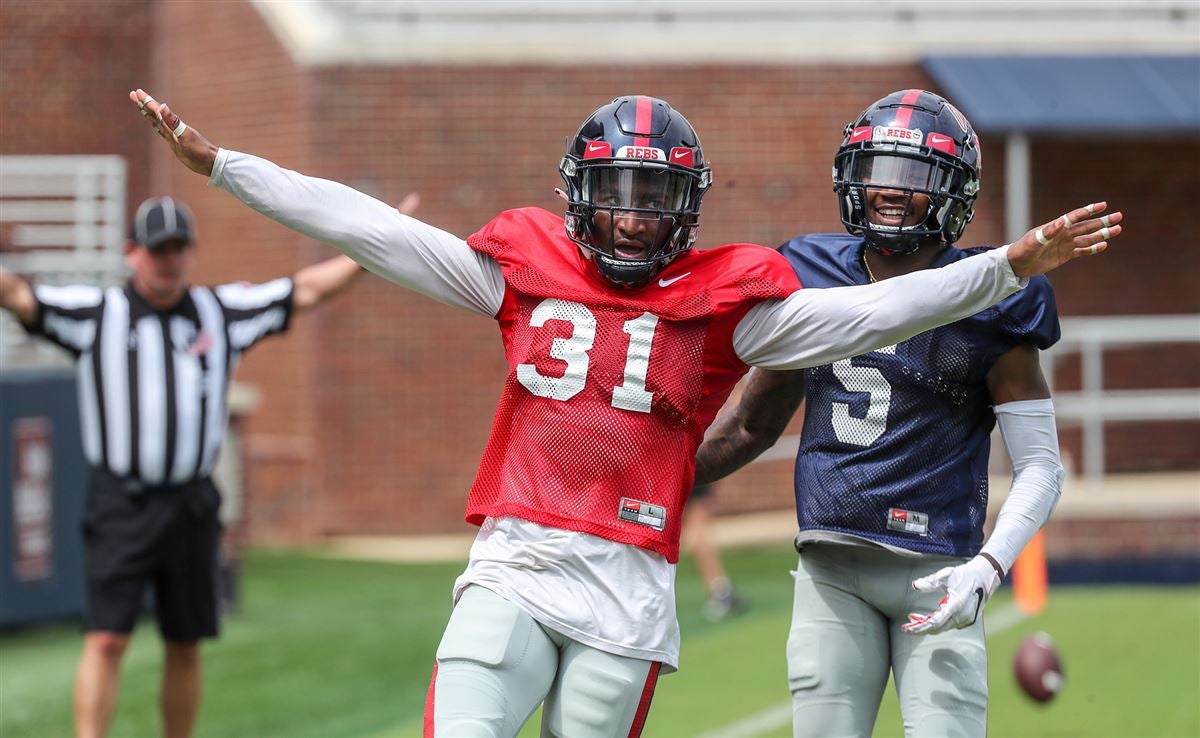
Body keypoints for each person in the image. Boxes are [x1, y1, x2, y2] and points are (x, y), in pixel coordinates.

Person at [128, 87, 1118, 738]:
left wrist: (1006, 267)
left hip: (630, 591)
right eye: (617, 192)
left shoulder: (734, 301)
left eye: (655, 195)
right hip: (518, 558)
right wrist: (228, 168)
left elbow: (878, 308)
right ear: (578, 198)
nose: (636, 214)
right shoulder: (520, 268)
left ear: (686, 206)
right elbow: (373, 228)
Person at [694, 89, 1094, 737]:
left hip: (940, 569)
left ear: (952, 190)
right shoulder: (810, 270)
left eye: (913, 174)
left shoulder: (997, 296)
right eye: (878, 168)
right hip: (832, 566)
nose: (888, 189)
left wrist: (989, 568)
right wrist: (652, 479)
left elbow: (1042, 466)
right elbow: (750, 424)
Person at [0, 195, 384, 738]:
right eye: (159, 250)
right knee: (107, 637)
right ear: (132, 253)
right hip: (121, 501)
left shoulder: (218, 312)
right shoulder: (97, 314)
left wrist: (384, 243)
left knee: (185, 640)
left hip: (190, 501)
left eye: (179, 249)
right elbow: (18, 296)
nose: (169, 261)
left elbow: (306, 290)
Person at [683, 482, 746, 621]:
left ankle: (721, 591)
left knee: (696, 527)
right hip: (689, 467)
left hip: (686, 468)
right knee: (695, 527)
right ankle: (721, 590)